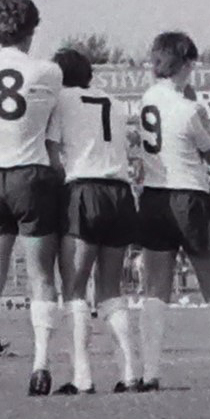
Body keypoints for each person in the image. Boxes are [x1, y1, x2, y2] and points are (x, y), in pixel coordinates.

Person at [0, 0, 66, 397]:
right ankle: (40, 366)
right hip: (32, 174)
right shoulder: (50, 72)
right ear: (32, 30)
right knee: (41, 276)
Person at [134, 31, 210, 390]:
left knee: (155, 288)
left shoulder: (146, 100)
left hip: (154, 196)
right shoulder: (191, 108)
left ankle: (149, 373)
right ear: (188, 63)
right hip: (189, 195)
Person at [49, 48, 141, 393]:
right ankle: (130, 373)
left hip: (84, 191)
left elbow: (53, 156)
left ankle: (82, 378)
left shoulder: (61, 101)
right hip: (119, 192)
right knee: (111, 290)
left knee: (74, 288)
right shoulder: (114, 103)